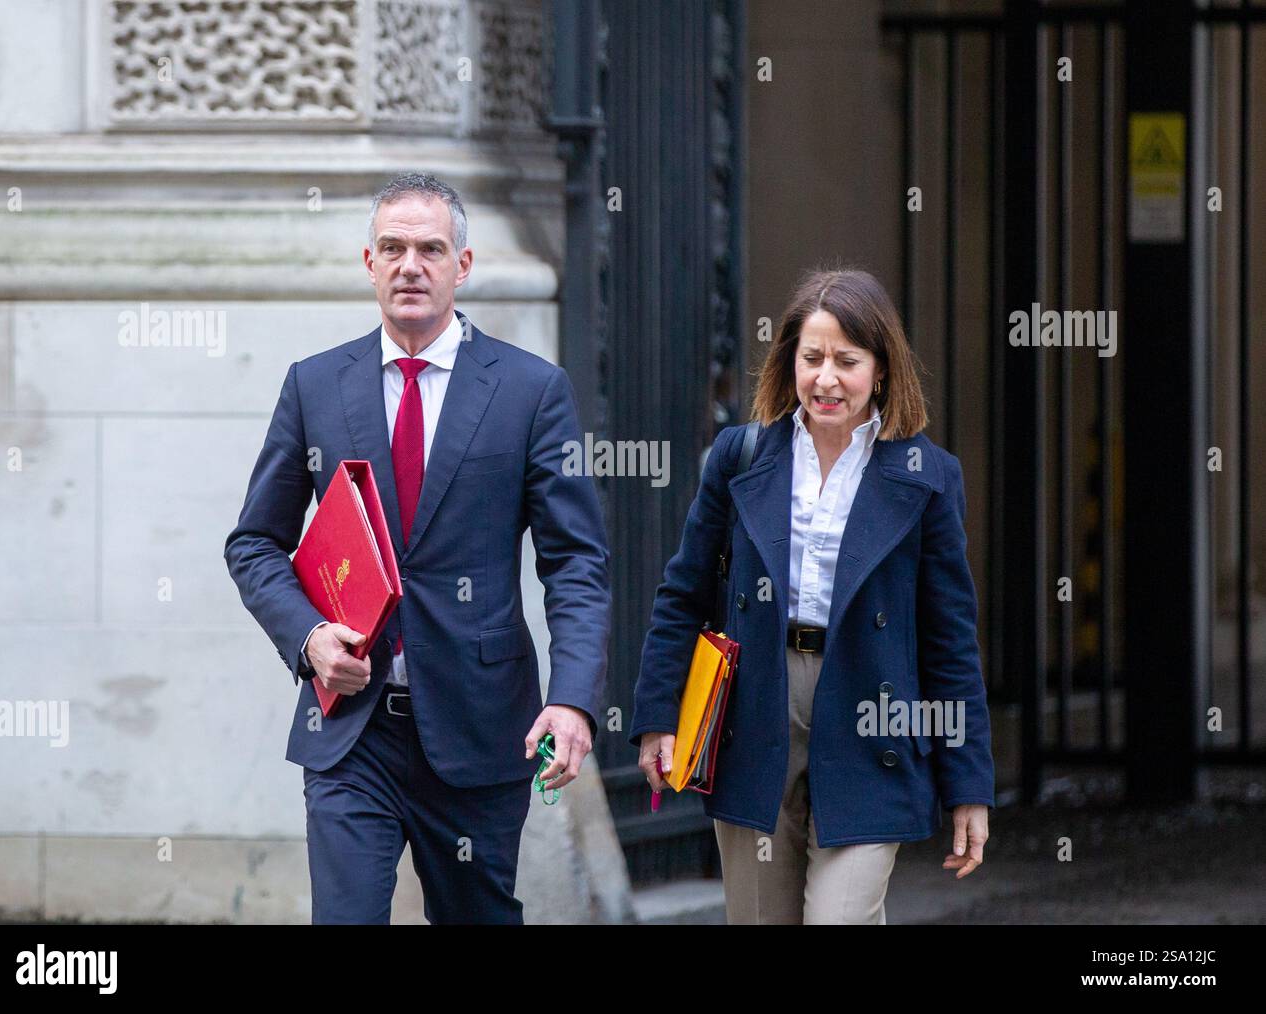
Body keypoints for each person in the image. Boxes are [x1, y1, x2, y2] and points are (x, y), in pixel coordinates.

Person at [224, 172, 610, 924]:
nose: (410, 265)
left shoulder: (531, 391)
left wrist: (572, 701)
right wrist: (306, 636)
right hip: (349, 734)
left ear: (461, 267)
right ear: (368, 263)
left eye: (430, 249)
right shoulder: (314, 386)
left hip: (479, 727)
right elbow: (255, 543)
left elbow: (576, 564)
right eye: (393, 248)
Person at [630, 268, 994, 924]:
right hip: (755, 709)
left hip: (869, 717)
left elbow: (949, 639)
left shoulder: (929, 478)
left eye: (847, 361)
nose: (826, 379)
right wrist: (658, 717)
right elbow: (682, 593)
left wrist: (968, 785)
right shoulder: (739, 458)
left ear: (881, 370)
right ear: (789, 361)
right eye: (812, 358)